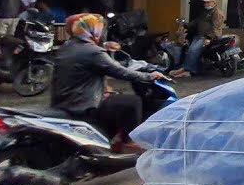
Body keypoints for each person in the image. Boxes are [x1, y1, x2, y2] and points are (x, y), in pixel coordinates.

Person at [50, 14, 169, 152]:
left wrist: (106, 46)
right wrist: (149, 76)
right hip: (83, 103)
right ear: (93, 30)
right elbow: (121, 72)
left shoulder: (67, 46)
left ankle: (108, 137)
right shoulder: (92, 52)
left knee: (116, 97)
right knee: (133, 102)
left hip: (65, 99)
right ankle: (128, 142)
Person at [169, 0, 226, 78]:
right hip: (199, 35)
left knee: (193, 51)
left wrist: (209, 37)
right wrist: (185, 26)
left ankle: (189, 71)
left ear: (214, 3)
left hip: (207, 36)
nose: (206, 4)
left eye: (208, 2)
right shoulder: (205, 12)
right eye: (205, 2)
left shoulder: (217, 13)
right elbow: (197, 21)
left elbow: (216, 27)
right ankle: (185, 68)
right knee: (190, 50)